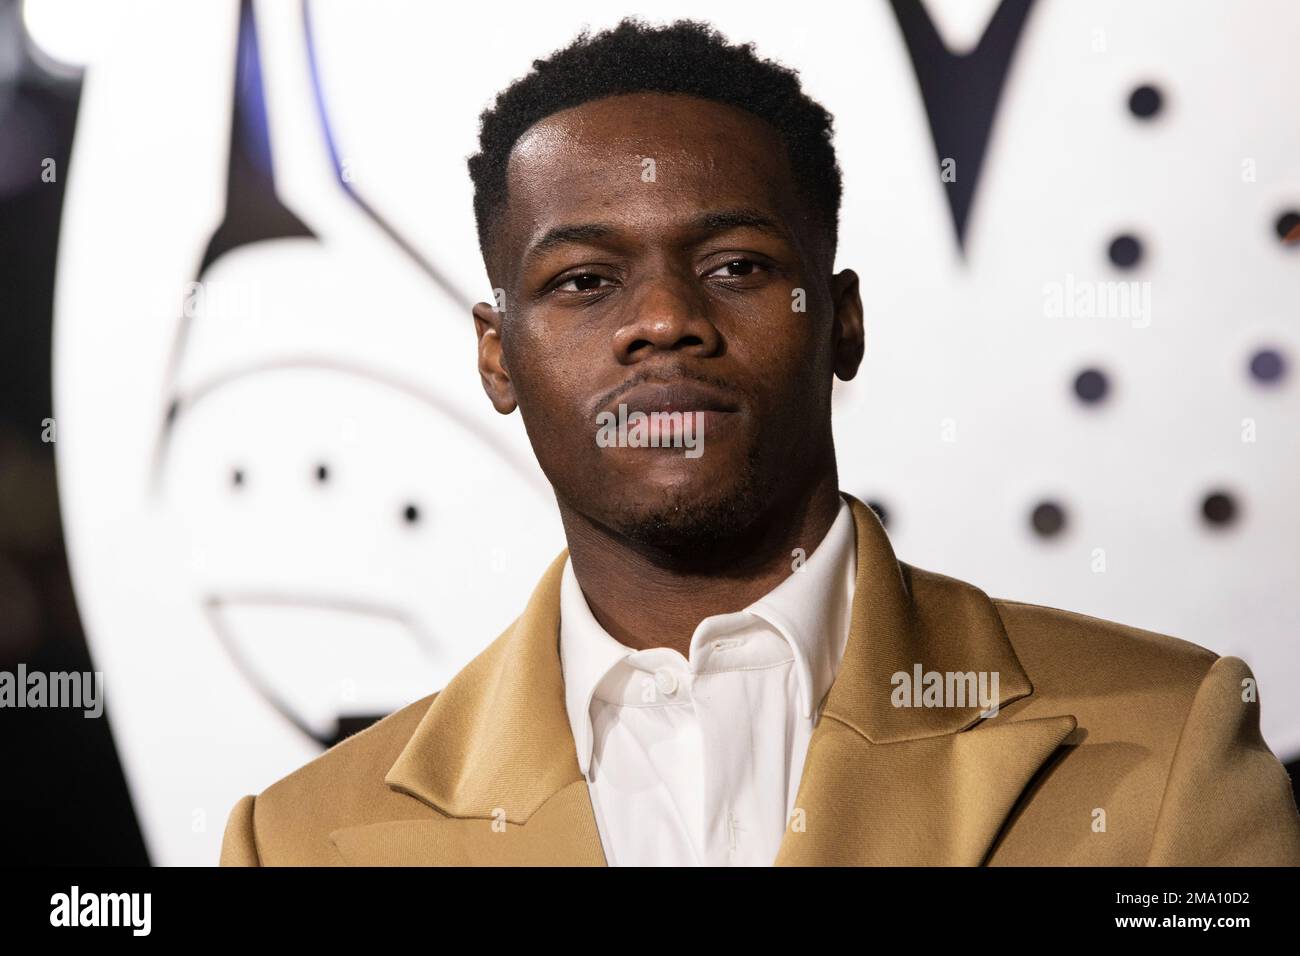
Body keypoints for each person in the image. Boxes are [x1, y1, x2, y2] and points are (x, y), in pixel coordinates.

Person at [220, 17, 1300, 866]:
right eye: (584, 281)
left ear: (842, 321)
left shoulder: (1167, 745)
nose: (663, 320)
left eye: (736, 265)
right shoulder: (304, 841)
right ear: (497, 357)